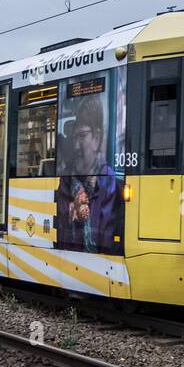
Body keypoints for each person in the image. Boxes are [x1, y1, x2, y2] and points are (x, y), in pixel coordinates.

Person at [54, 94, 120, 253]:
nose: (76, 146)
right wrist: (73, 210)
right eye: (74, 137)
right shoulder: (65, 181)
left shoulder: (109, 183)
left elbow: (108, 240)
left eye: (82, 136)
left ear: (97, 138)